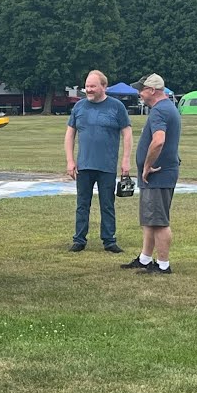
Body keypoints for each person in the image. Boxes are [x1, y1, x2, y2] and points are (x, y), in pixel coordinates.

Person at [64, 70, 133, 253]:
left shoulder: (116, 107)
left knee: (107, 204)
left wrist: (126, 160)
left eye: (93, 86)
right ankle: (79, 240)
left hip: (107, 166)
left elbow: (127, 133)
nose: (88, 89)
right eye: (87, 86)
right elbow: (70, 134)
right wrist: (70, 160)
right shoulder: (79, 107)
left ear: (104, 86)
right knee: (82, 204)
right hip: (84, 165)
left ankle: (109, 241)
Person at [122, 73, 182, 274]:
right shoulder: (167, 108)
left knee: (159, 221)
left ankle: (163, 265)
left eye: (142, 89)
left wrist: (147, 165)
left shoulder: (159, 111)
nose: (139, 93)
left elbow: (159, 140)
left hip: (158, 174)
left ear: (152, 91)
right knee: (150, 219)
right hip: (160, 174)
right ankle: (145, 259)